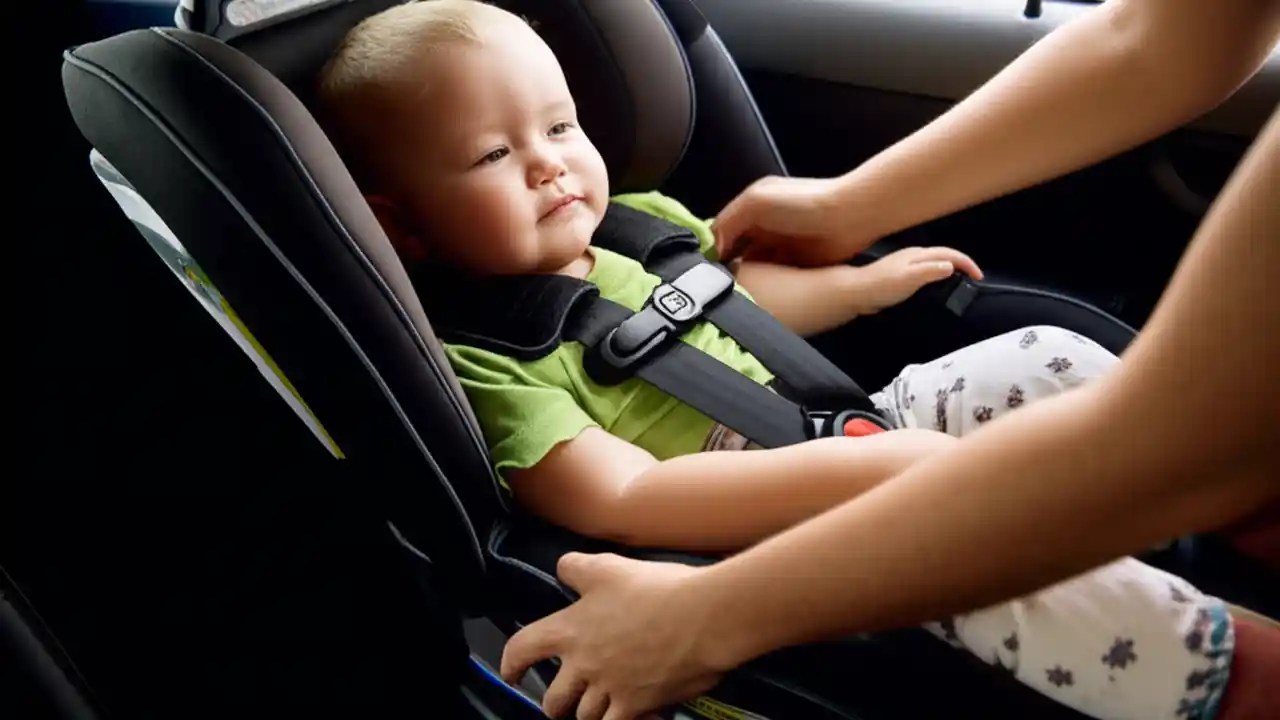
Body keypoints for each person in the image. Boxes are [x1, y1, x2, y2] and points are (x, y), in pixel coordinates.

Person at [311, 2, 1268, 718]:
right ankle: (1200, 666)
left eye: (561, 128)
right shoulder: (484, 361)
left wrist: (863, 284)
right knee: (976, 547)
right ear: (403, 225)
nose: (551, 163)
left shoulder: (639, 231)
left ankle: (1162, 526)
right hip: (756, 523)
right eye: (492, 156)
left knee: (1047, 358)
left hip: (856, 419)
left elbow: (745, 306)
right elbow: (623, 497)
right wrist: (857, 477)